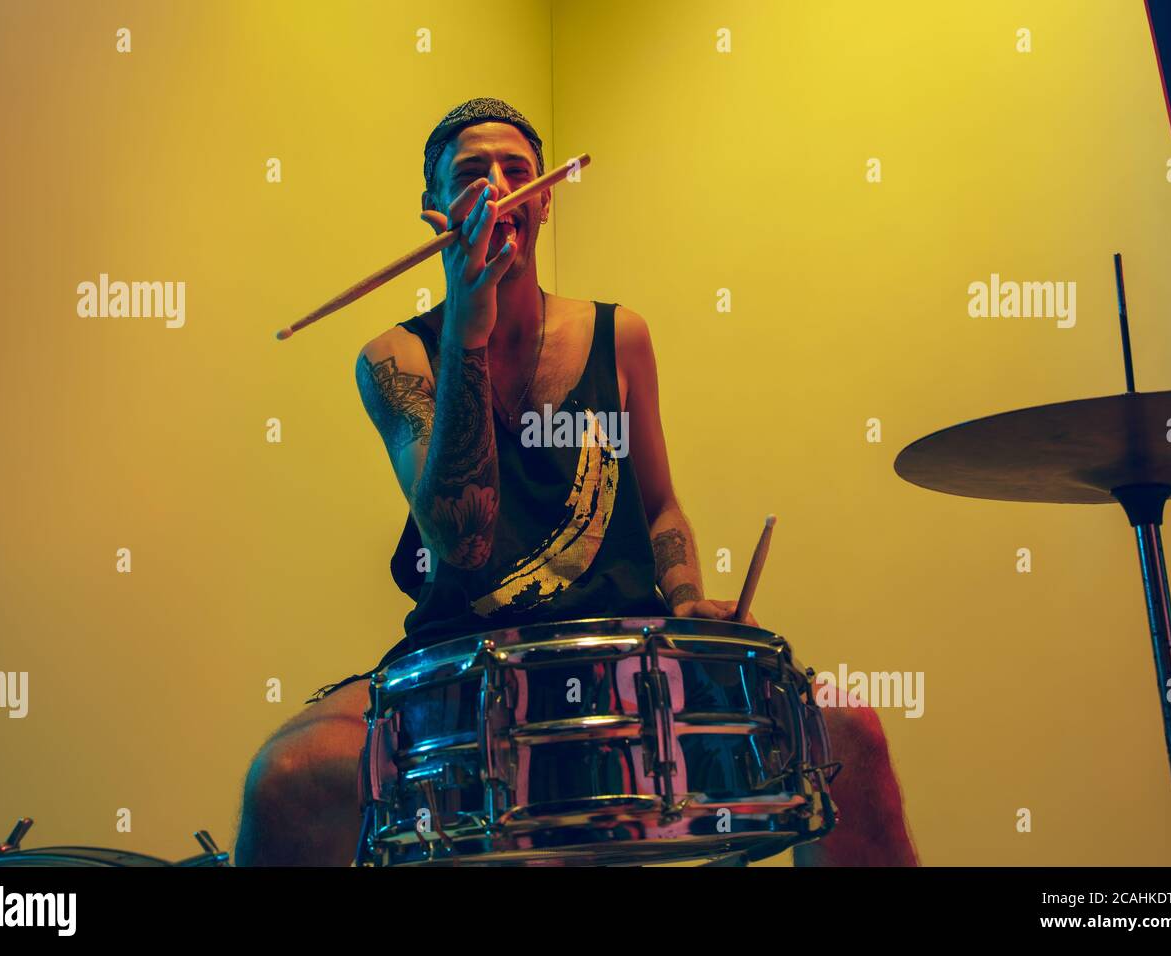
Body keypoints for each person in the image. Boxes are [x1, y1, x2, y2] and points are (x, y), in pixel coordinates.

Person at [234, 98, 918, 866]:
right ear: (434, 213)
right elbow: (464, 538)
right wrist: (469, 316)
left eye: (517, 171)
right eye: (470, 176)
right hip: (462, 662)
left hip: (625, 649)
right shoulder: (395, 359)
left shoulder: (620, 335)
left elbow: (660, 507)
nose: (498, 187)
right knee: (287, 778)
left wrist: (690, 598)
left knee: (846, 728)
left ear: (546, 197)